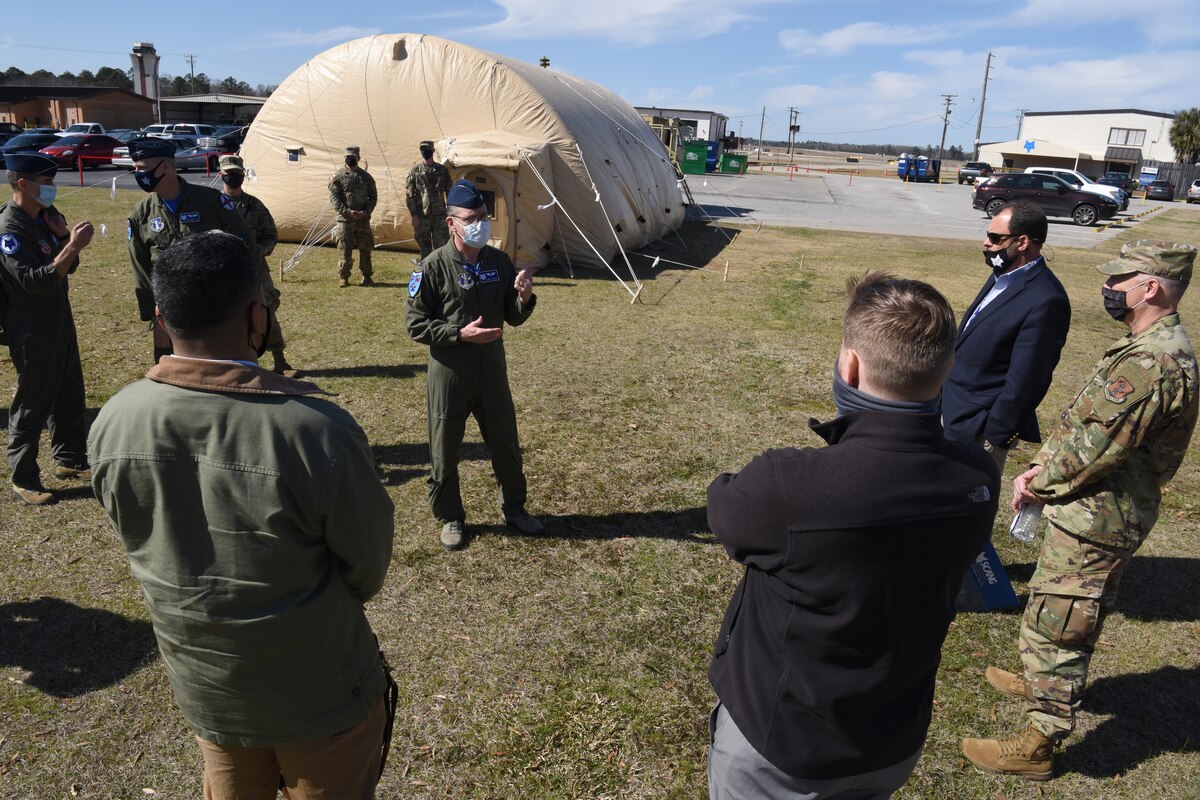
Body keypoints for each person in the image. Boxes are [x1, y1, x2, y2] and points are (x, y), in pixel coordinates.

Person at [89, 231, 395, 798]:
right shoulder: (316, 430)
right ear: (258, 315)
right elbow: (367, 569)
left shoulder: (114, 420)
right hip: (319, 691)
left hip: (208, 687)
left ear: (160, 318)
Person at [706, 272, 999, 799]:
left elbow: (723, 508)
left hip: (784, 746)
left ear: (851, 365)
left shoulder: (787, 483)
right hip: (893, 737)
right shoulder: (977, 477)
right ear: (947, 368)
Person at [962, 241, 1199, 781]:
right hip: (1093, 511)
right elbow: (1088, 430)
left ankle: (1039, 743)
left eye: (1122, 279)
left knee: (1063, 623)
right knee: (1058, 608)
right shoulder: (1145, 347)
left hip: (1099, 517)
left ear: (1152, 287)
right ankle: (1039, 677)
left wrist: (1037, 483)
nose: (1111, 288)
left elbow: (1095, 450)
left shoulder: (1152, 363)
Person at [405, 179, 542, 550]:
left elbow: (511, 317)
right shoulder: (430, 268)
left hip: (491, 371)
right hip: (450, 374)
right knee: (444, 448)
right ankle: (450, 516)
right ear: (452, 223)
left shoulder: (498, 261)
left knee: (506, 442)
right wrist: (458, 334)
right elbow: (415, 324)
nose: (481, 223)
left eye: (484, 216)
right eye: (472, 218)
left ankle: (515, 508)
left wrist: (524, 298)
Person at [942, 200, 1071, 473]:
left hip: (977, 431)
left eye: (995, 237)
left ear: (1022, 242)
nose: (987, 243)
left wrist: (993, 435)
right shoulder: (1001, 275)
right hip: (949, 413)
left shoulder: (1047, 300)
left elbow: (1027, 382)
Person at [0, 152, 94, 505]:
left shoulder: (40, 218)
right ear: (24, 184)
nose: (53, 189)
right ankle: (23, 477)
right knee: (33, 400)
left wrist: (63, 236)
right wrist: (70, 245)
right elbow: (32, 281)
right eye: (48, 182)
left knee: (69, 390)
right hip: (30, 324)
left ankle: (69, 459)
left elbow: (67, 268)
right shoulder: (10, 228)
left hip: (57, 316)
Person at [126, 137, 252, 363]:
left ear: (166, 166)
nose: (137, 173)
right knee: (174, 377)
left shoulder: (212, 201)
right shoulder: (140, 214)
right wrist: (156, 321)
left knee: (226, 372)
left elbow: (244, 244)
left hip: (217, 310)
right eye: (135, 168)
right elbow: (141, 271)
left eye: (142, 168)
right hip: (171, 316)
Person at [218, 154, 296, 376]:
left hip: (255, 270)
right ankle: (234, 364)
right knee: (226, 316)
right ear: (220, 174)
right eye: (229, 174)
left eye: (238, 174)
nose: (234, 177)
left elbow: (270, 234)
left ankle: (280, 362)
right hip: (224, 271)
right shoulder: (214, 205)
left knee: (266, 311)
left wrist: (258, 251)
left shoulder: (254, 205)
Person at [328, 145, 377, 287]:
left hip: (362, 219)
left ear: (359, 159)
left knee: (366, 248)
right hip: (345, 219)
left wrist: (365, 212)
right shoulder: (338, 177)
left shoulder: (366, 177)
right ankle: (344, 277)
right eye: (348, 158)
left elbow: (373, 197)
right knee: (344, 248)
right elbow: (334, 198)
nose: (350, 160)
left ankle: (367, 276)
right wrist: (347, 211)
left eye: (353, 158)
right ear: (344, 158)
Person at [405, 139, 450, 260]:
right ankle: (427, 274)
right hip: (422, 216)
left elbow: (450, 192)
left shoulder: (442, 171)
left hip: (439, 216)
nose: (425, 152)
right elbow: (410, 195)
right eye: (423, 150)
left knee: (442, 248)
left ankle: (441, 275)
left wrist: (450, 213)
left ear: (433, 151)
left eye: (428, 150)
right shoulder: (414, 172)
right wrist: (414, 215)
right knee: (424, 248)